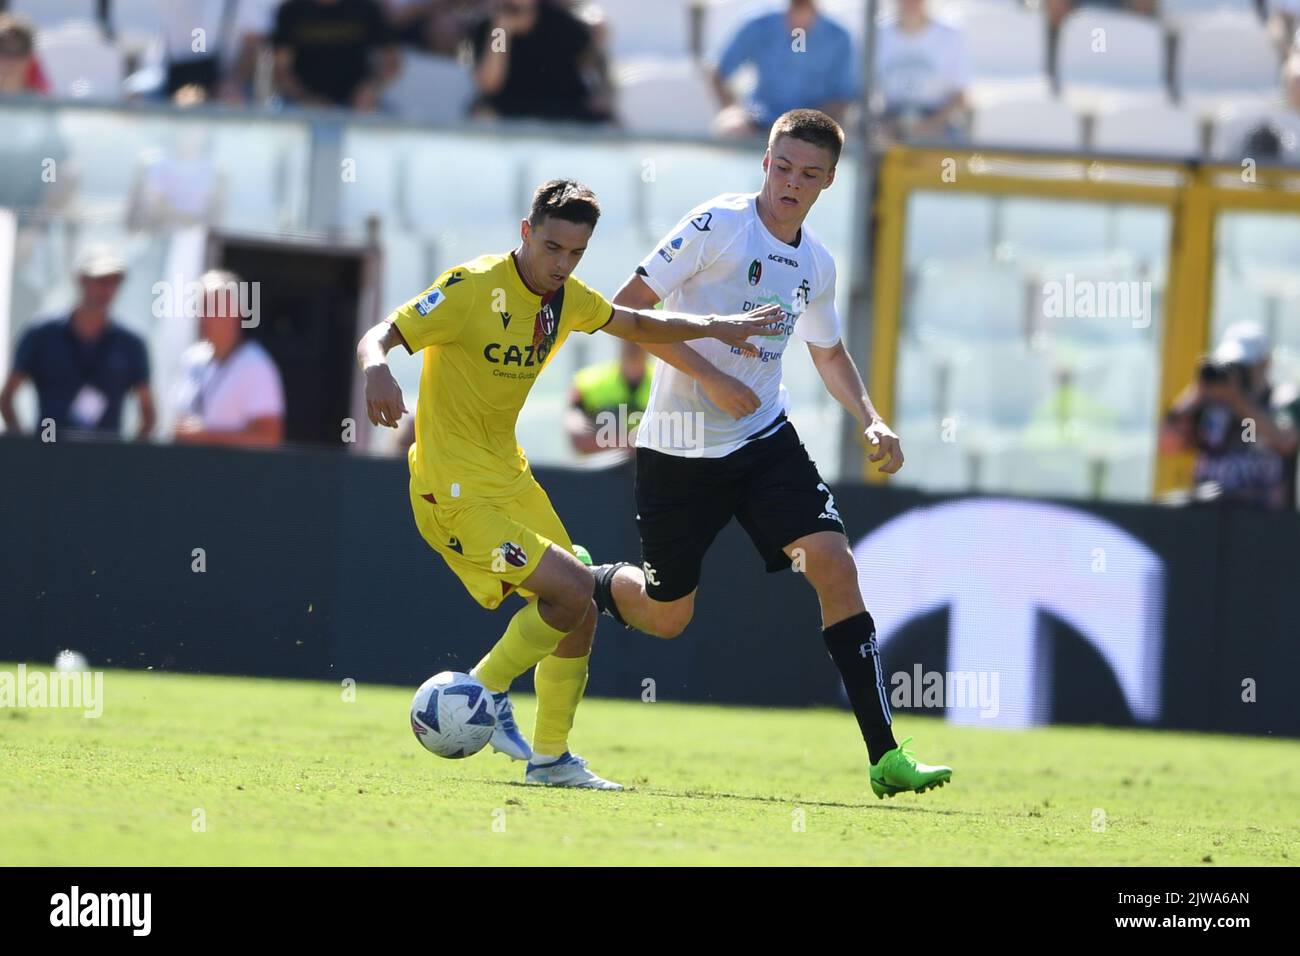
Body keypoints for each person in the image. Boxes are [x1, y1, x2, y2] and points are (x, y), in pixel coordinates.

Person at [357, 179, 780, 789]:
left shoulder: (567, 300)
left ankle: (551, 759)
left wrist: (718, 325)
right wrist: (377, 370)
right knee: (576, 585)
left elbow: (635, 322)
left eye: (575, 254)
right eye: (552, 247)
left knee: (578, 608)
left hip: (508, 477)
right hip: (450, 490)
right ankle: (488, 688)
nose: (561, 264)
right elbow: (380, 336)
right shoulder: (470, 288)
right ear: (526, 232)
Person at [587, 109, 954, 800]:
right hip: (679, 448)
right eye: (782, 166)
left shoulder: (815, 262)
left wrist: (872, 420)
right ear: (765, 161)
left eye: (808, 174)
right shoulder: (717, 225)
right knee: (668, 616)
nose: (791, 182)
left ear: (829, 182)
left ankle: (886, 755)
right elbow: (625, 310)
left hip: (761, 440)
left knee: (834, 563)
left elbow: (827, 349)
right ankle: (594, 582)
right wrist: (712, 375)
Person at [1, 247, 154, 440]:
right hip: (50, 451)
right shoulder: (40, 335)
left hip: (106, 460)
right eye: (100, 281)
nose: (107, 290)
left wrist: (127, 459)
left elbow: (148, 411)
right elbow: (7, 396)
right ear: (81, 280)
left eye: (114, 282)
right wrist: (24, 447)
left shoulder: (131, 344)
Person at [1160, 321, 1300, 510]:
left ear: (1265, 363)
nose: (1236, 374)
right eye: (1231, 366)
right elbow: (1168, 444)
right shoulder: (1210, 404)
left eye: (1242, 366)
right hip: (1209, 521)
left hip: (1266, 527)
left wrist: (1238, 400)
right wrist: (1196, 393)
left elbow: (1285, 441)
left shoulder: (1282, 399)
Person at [172, 270, 286, 448]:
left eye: (215, 308)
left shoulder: (256, 365)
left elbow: (269, 438)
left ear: (238, 313)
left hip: (232, 475)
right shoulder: (192, 358)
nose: (206, 317)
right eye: (203, 307)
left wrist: (205, 436)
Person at [710, 0, 857, 139]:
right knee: (732, 128)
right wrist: (733, 109)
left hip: (812, 126)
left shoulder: (838, 35)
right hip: (759, 119)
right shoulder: (759, 24)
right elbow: (719, 72)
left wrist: (801, 126)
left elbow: (843, 96)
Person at [469, 0, 612, 123]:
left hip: (562, 106)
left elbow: (592, 65)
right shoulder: (493, 30)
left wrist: (603, 94)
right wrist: (502, 30)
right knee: (482, 116)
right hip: (509, 107)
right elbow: (489, 85)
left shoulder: (561, 24)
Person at [272, 0, 400, 110]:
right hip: (302, 106)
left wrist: (372, 88)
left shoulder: (366, 8)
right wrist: (305, 99)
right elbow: (281, 70)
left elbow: (391, 61)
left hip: (359, 106)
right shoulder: (291, 11)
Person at [874, 0, 970, 144]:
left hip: (939, 121)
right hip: (890, 118)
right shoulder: (877, 36)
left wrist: (932, 125)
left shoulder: (951, 36)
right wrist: (884, 124)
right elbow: (867, 92)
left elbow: (961, 96)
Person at [565, 339, 651, 457]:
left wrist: (609, 439)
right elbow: (580, 439)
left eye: (641, 335)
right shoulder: (587, 383)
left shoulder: (667, 384)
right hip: (602, 472)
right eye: (629, 334)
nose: (634, 342)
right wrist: (635, 442)